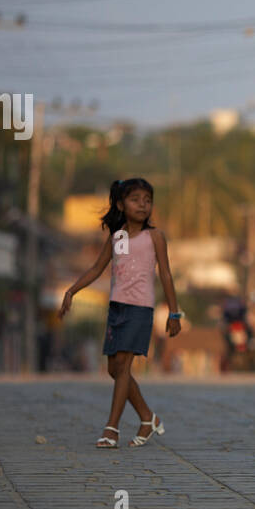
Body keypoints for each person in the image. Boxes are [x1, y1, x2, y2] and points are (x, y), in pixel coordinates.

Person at [58, 178, 182, 448]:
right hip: (117, 308)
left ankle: (111, 429)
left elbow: (166, 274)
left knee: (124, 365)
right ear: (121, 204)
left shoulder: (155, 237)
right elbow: (96, 268)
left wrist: (174, 313)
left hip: (140, 309)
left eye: (147, 200)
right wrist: (72, 290)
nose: (143, 205)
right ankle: (148, 418)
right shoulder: (118, 237)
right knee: (115, 369)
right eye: (136, 199)